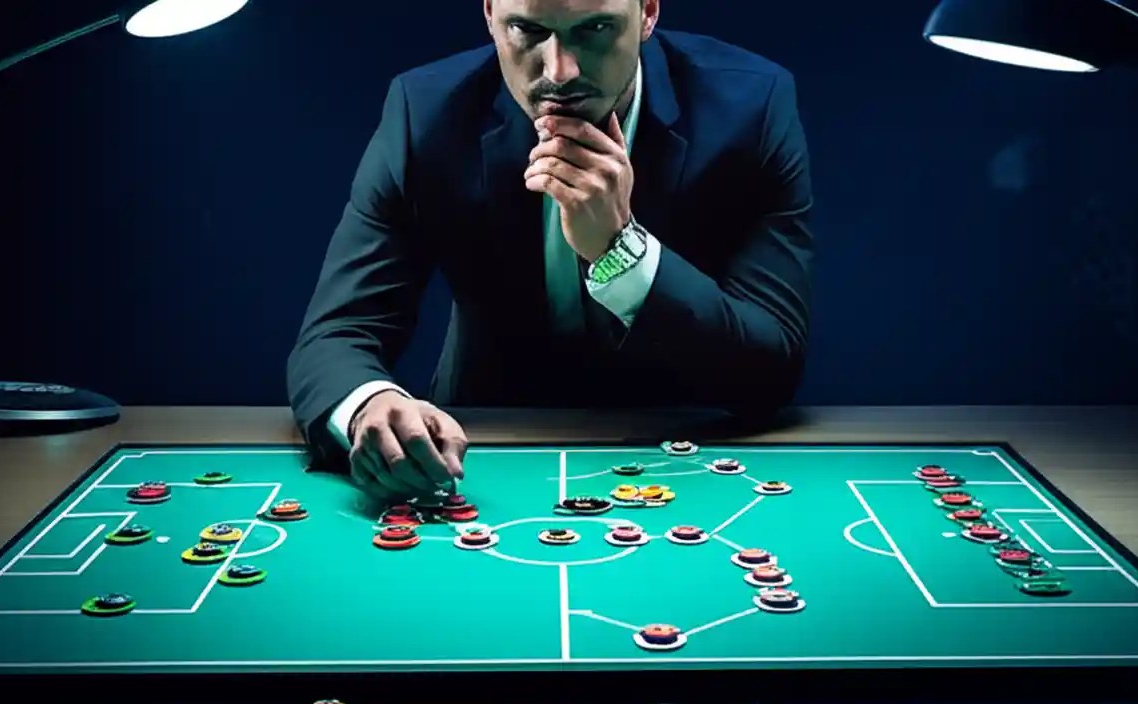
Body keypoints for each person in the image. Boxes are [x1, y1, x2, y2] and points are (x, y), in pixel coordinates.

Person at [286, 0, 816, 501]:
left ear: (648, 11)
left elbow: (771, 369)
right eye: (529, 30)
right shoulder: (424, 111)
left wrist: (619, 250)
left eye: (595, 29)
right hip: (476, 458)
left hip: (688, 460)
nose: (559, 72)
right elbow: (337, 333)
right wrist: (368, 406)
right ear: (491, 13)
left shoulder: (752, 108)